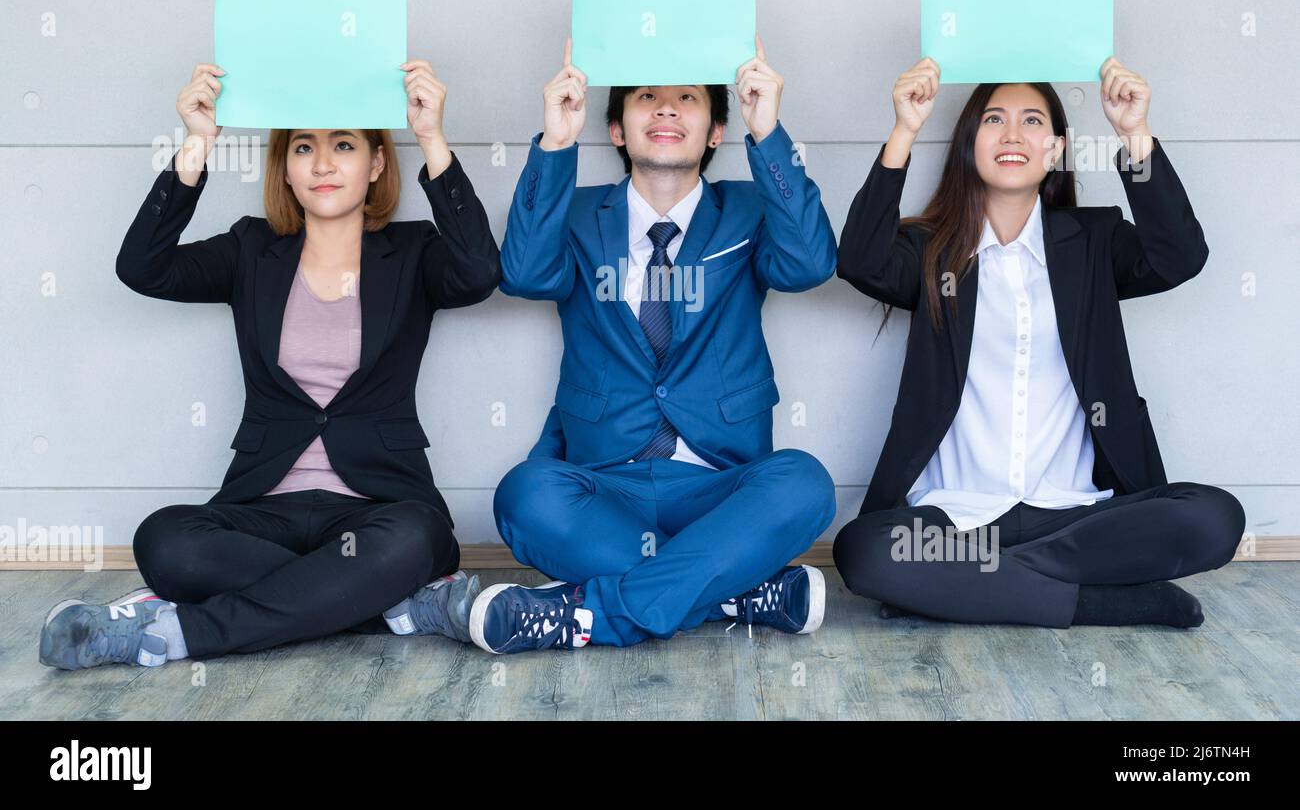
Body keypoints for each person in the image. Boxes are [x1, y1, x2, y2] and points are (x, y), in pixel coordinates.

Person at [39, 59, 501, 670]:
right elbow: (142, 267)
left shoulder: (413, 254)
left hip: (380, 507)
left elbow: (480, 273)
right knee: (165, 540)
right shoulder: (251, 250)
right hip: (263, 506)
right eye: (303, 147)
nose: (324, 163)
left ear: (377, 164)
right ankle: (398, 605)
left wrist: (433, 138)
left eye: (344, 145)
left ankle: (179, 631)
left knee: (415, 541)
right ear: (285, 168)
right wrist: (197, 144)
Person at [831, 56, 1245, 628]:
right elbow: (859, 261)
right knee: (867, 551)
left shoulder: (1094, 241)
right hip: (955, 517)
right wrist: (903, 130)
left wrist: (1135, 133)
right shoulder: (932, 253)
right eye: (994, 120)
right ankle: (1098, 601)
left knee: (1214, 518)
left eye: (1032, 122)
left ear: (1055, 150)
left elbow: (1179, 257)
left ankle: (978, 583)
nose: (1012, 135)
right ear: (969, 143)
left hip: (1076, 514)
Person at [471, 36, 838, 654]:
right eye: (646, 98)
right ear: (616, 129)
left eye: (688, 99)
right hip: (603, 487)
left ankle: (591, 617)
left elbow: (809, 263)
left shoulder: (748, 212)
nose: (666, 110)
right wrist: (557, 141)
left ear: (716, 130)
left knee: (804, 483)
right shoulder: (579, 215)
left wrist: (768, 130)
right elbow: (526, 274)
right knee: (524, 494)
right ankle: (733, 592)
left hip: (722, 489)